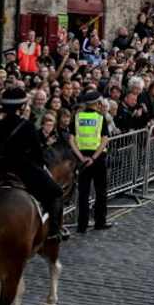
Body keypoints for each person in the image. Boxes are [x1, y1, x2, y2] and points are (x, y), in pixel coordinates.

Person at [0, 87, 68, 239]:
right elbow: (37, 154)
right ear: (22, 106)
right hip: (24, 168)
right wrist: (40, 163)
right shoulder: (28, 125)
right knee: (56, 193)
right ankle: (54, 232)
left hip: (0, 167)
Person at [67, 89, 110, 233]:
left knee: (83, 193)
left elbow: (71, 140)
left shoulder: (77, 118)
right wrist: (93, 157)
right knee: (100, 192)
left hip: (82, 160)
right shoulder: (100, 118)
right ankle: (99, 222)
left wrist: (82, 157)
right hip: (97, 160)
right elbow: (104, 140)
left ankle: (82, 225)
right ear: (97, 103)